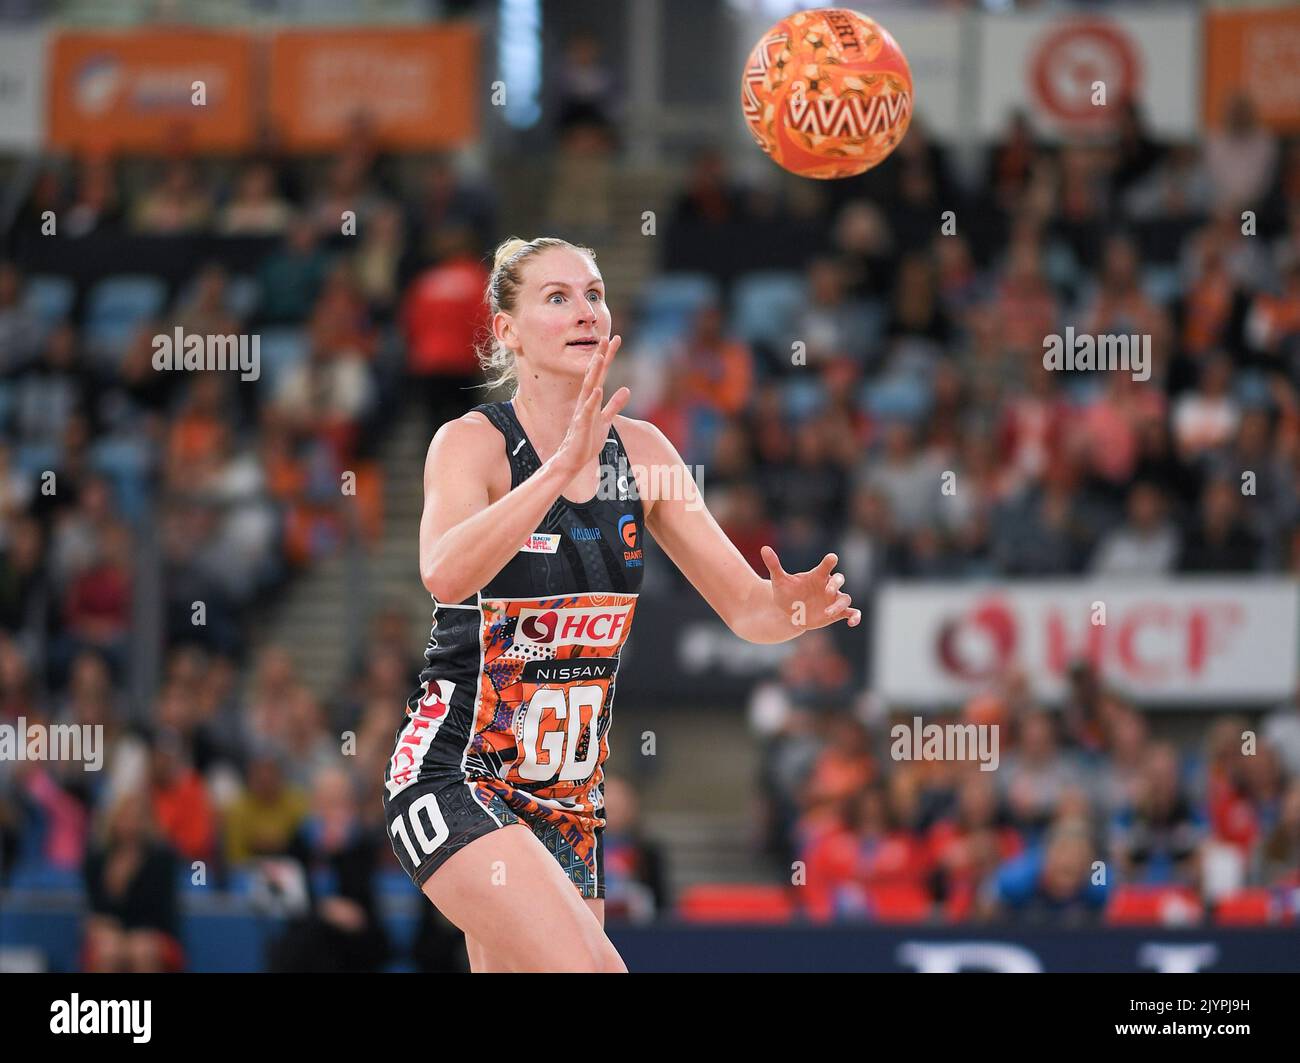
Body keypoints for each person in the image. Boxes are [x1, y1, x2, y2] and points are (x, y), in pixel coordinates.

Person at [382, 236, 861, 973]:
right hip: (454, 773)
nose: (586, 311)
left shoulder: (644, 455)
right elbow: (443, 574)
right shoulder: (470, 443)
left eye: (596, 294)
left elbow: (747, 611)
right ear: (506, 331)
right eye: (558, 297)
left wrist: (796, 608)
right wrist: (555, 472)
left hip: (568, 805)